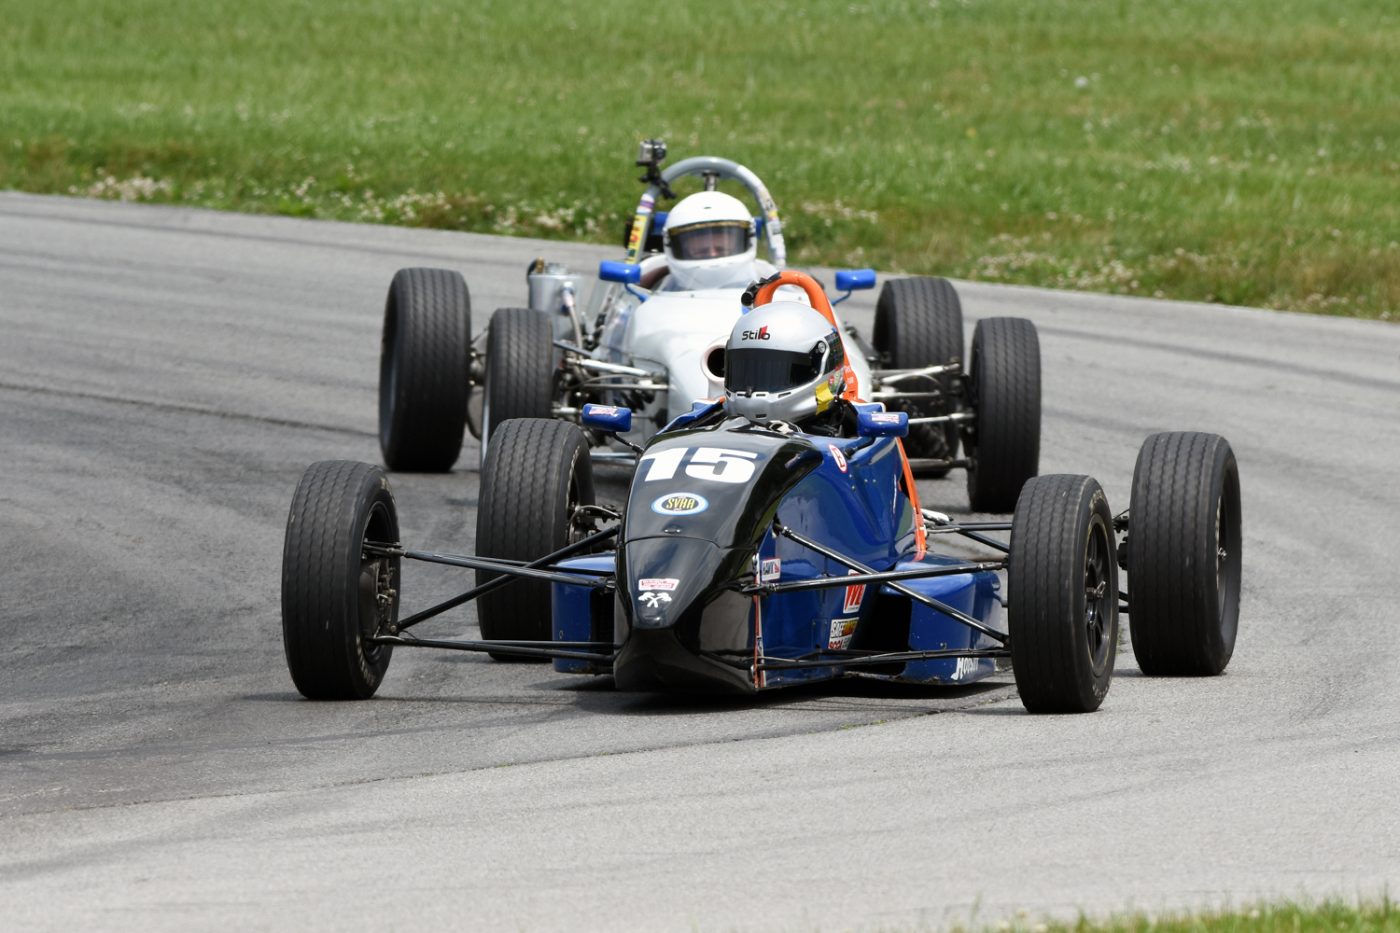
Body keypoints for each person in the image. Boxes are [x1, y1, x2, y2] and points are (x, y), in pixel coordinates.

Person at [722, 300, 858, 436]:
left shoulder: (859, 432)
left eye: (775, 373)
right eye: (745, 370)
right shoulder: (708, 415)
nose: (749, 391)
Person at [661, 191, 774, 291]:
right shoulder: (654, 288)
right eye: (701, 251)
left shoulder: (775, 282)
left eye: (722, 249)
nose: (712, 254)